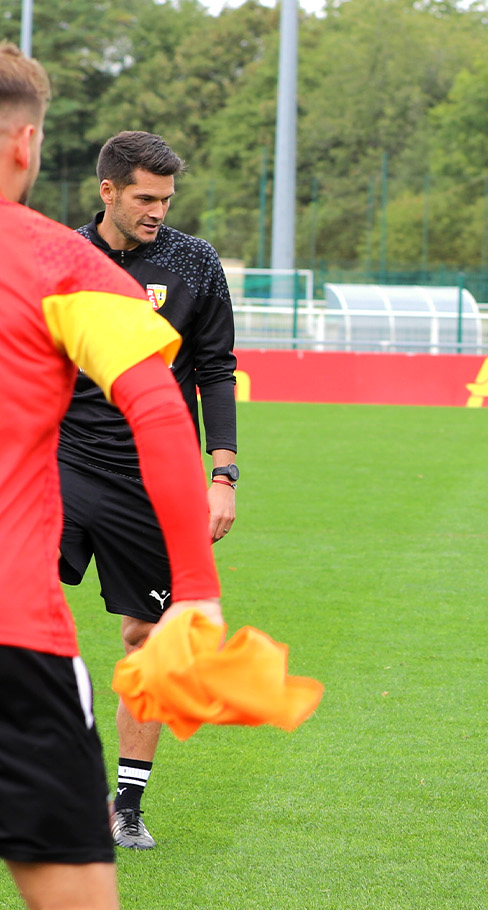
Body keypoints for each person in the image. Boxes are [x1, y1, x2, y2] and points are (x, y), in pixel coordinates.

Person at [0, 43, 222, 910]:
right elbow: (156, 411)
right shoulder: (55, 263)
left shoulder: (180, 262)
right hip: (12, 635)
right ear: (28, 144)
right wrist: (202, 593)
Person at [61, 130, 238, 851]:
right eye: (143, 198)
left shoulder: (194, 262)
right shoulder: (65, 259)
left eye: (166, 199)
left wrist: (222, 473)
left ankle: (125, 803)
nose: (157, 211)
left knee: (148, 637)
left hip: (153, 479)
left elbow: (218, 367)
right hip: (63, 462)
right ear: (107, 190)